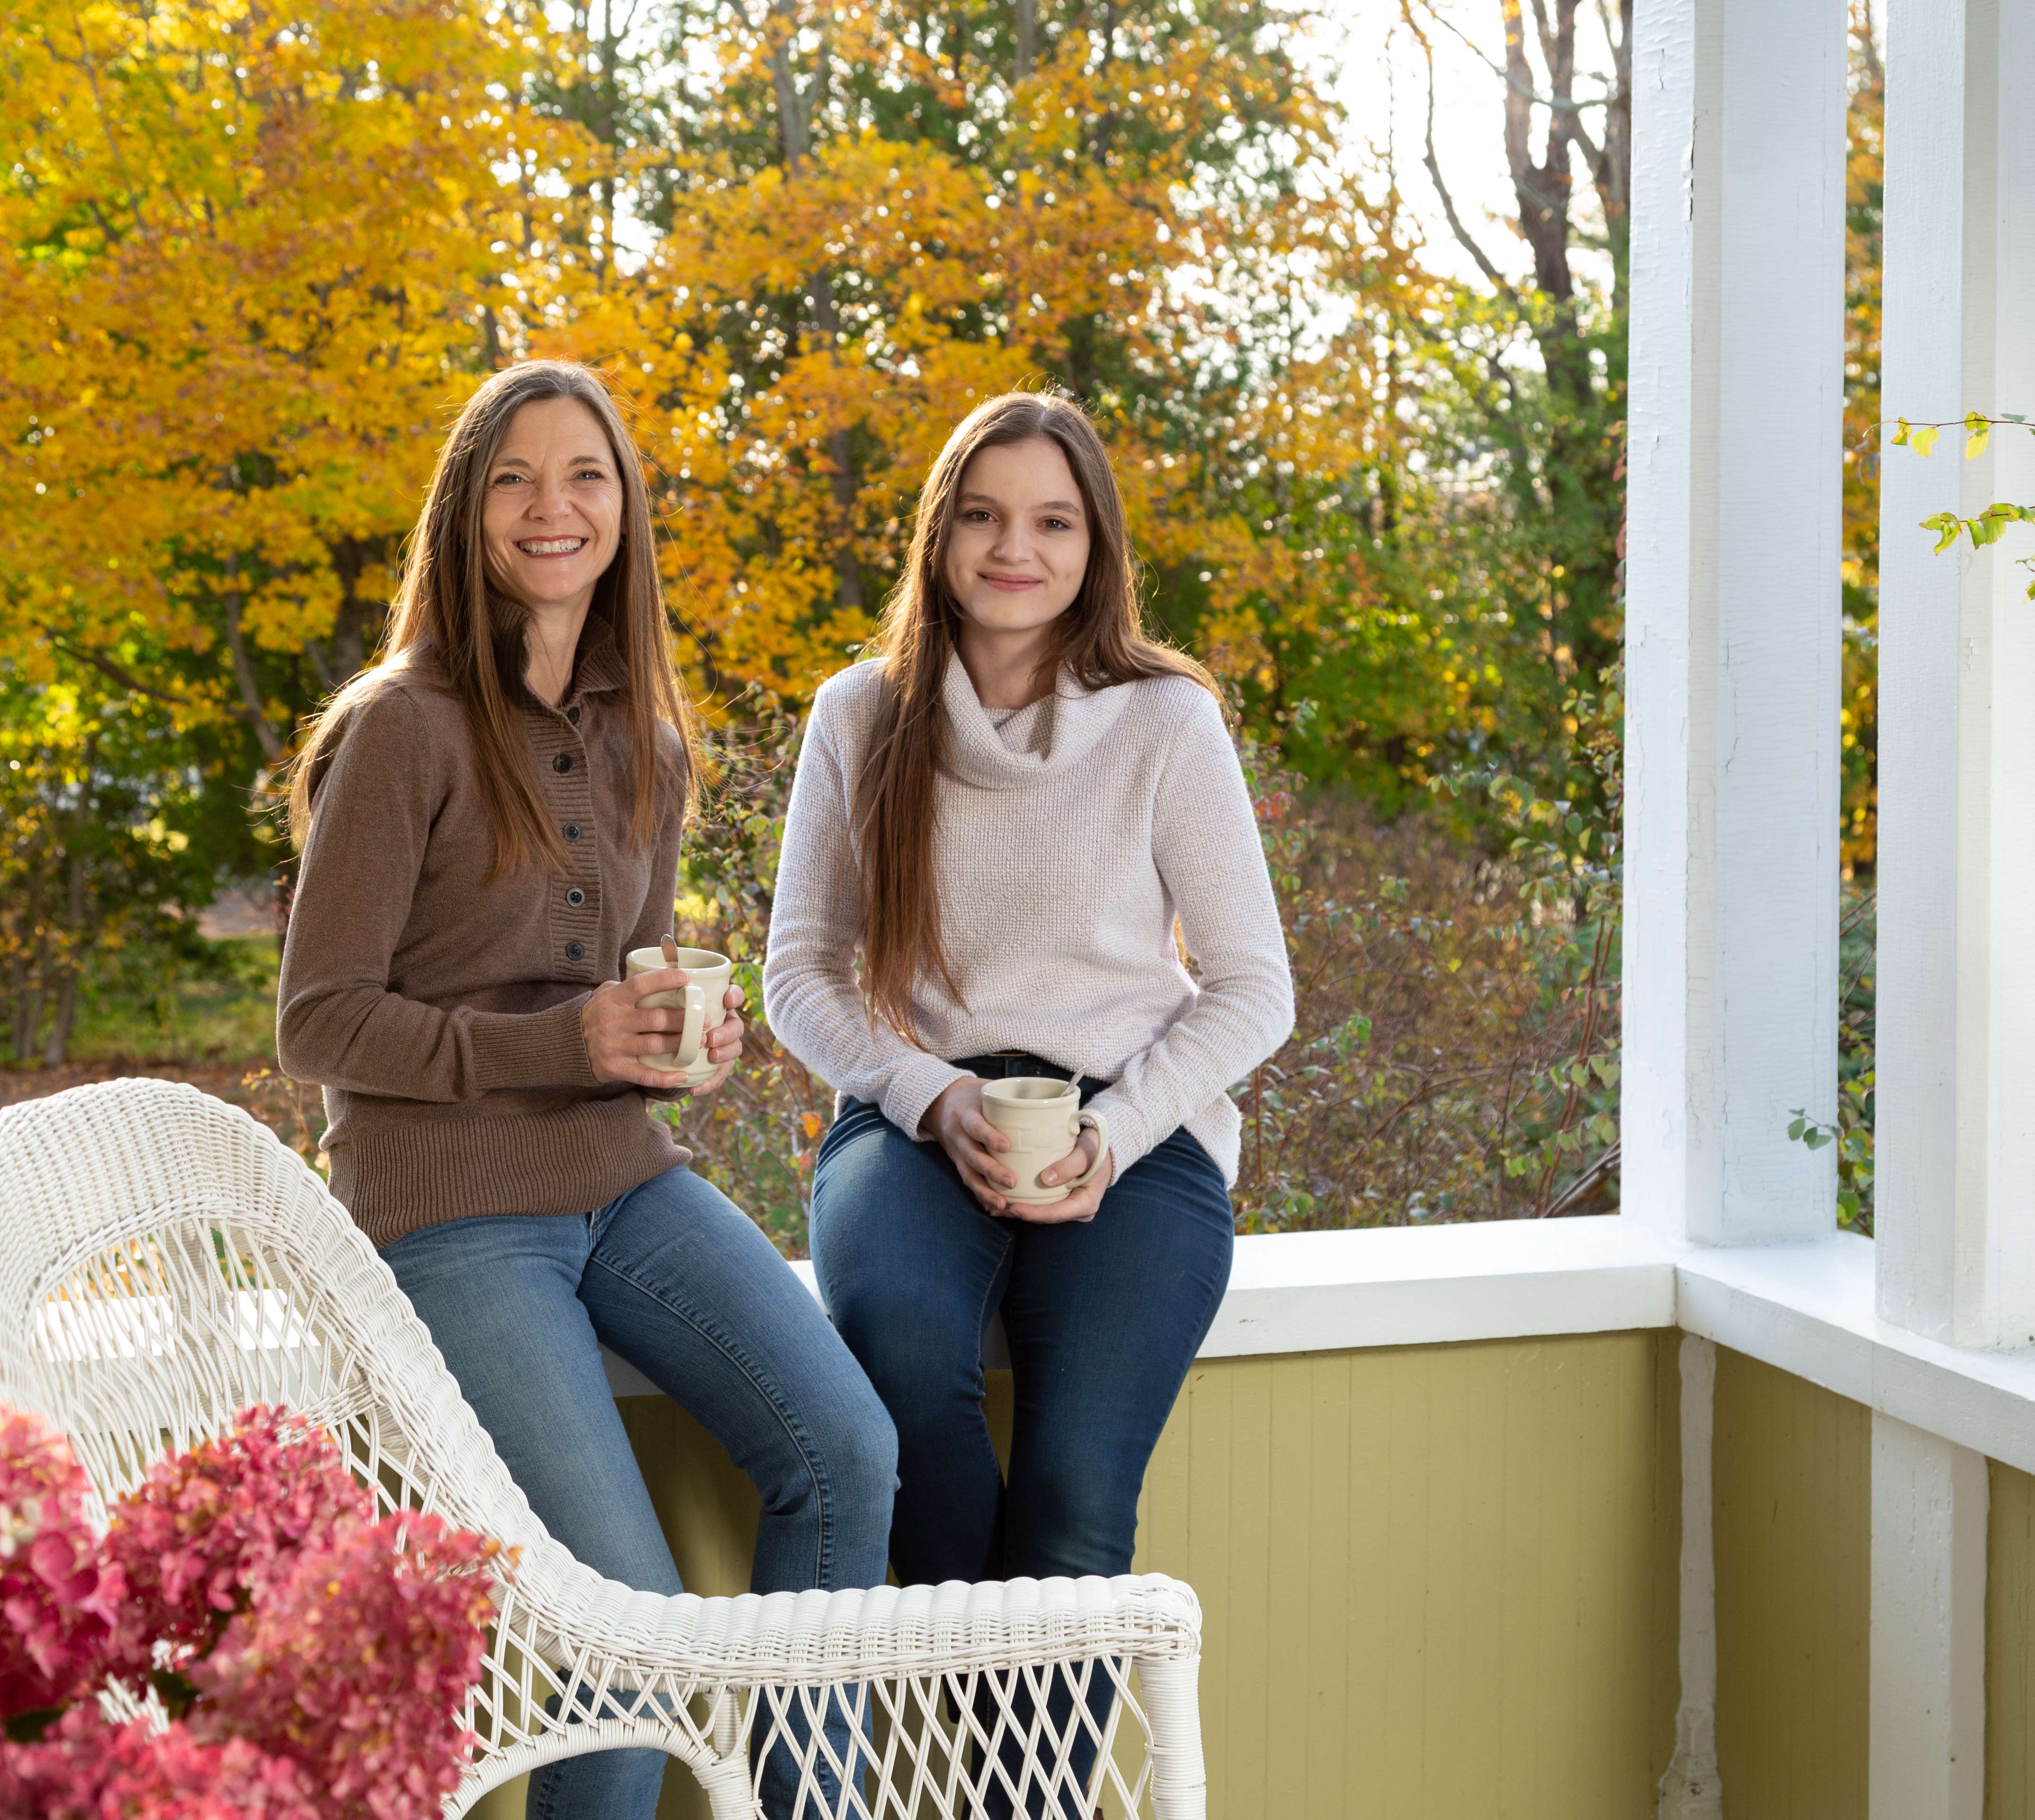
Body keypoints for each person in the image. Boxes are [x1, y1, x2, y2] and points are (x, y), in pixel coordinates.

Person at [279, 359, 894, 1820]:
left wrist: (678, 1047)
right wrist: (563, 1045)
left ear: (625, 510)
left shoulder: (646, 737)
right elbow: (317, 1023)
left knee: (850, 1453)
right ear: (466, 512)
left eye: (586, 477)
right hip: (452, 1212)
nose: (552, 508)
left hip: (620, 1179)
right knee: (622, 1621)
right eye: (514, 479)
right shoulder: (402, 725)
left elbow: (612, 983)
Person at [766, 390, 1296, 1600]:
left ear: (1096, 547)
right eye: (984, 517)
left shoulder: (1167, 721)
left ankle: (1018, 1777)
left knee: (1073, 1496)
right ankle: (1008, 1717)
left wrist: (1117, 1132)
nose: (1017, 550)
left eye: (1054, 523)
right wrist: (924, 1093)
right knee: (898, 1357)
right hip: (917, 1117)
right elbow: (797, 972)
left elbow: (1255, 990)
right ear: (938, 536)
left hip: (1131, 1130)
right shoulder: (861, 714)